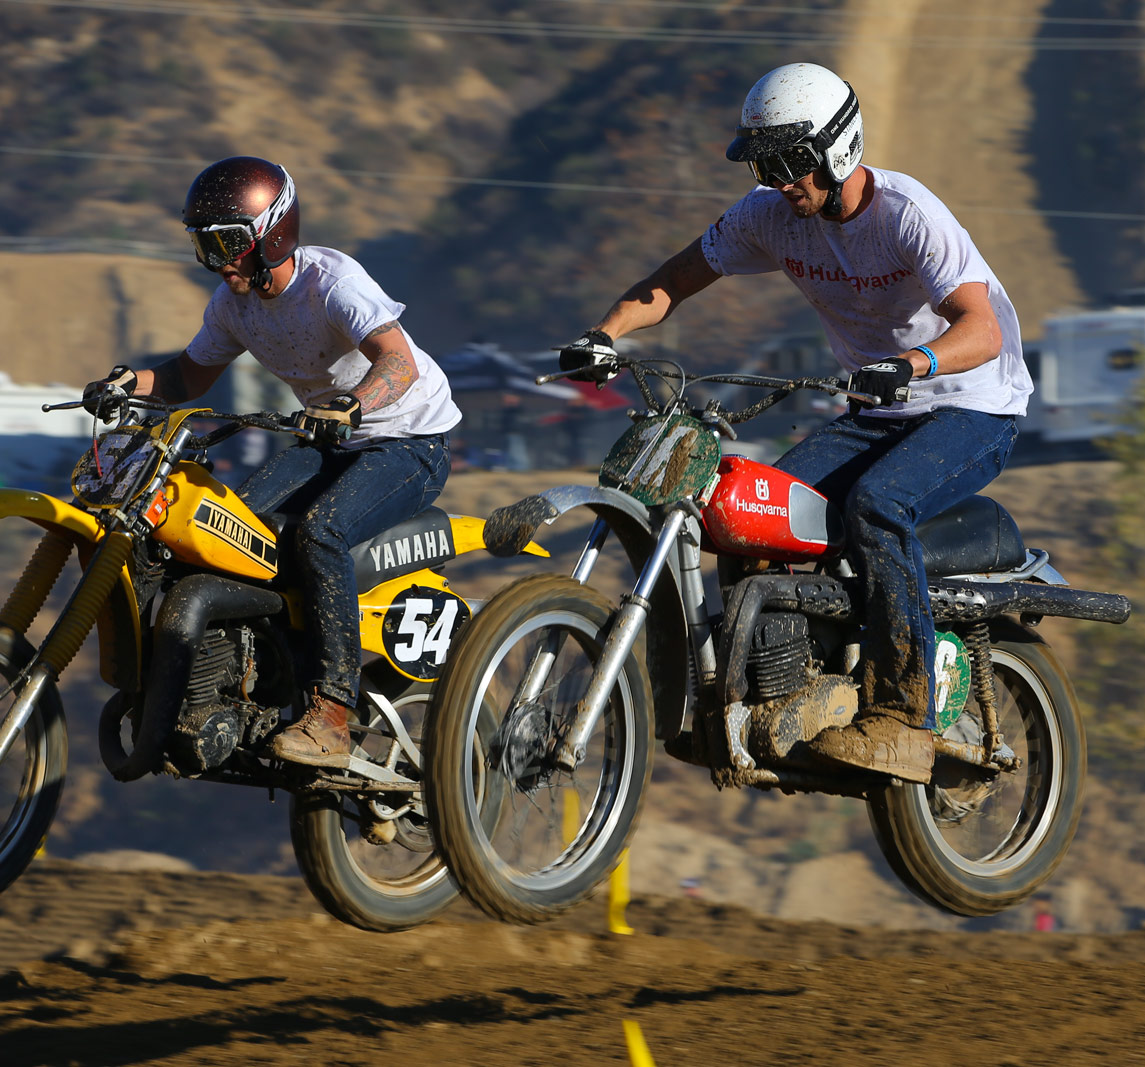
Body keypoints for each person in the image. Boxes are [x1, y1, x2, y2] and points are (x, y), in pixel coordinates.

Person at [557, 63, 1032, 782]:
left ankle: (905, 716)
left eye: (788, 163)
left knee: (878, 504)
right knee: (750, 513)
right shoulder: (767, 216)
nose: (778, 182)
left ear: (836, 149)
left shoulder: (908, 214)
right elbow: (673, 281)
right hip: (878, 411)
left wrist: (912, 364)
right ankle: (776, 692)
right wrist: (605, 334)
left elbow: (983, 329)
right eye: (763, 165)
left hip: (972, 404)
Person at [82, 156, 460, 767]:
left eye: (227, 244)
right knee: (225, 530)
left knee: (319, 533)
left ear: (272, 233)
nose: (218, 262)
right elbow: (187, 377)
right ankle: (241, 682)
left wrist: (352, 405)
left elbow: (399, 364)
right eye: (205, 247)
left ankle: (332, 713)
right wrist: (127, 383)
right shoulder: (235, 305)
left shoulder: (332, 283)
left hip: (410, 442)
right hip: (330, 442)